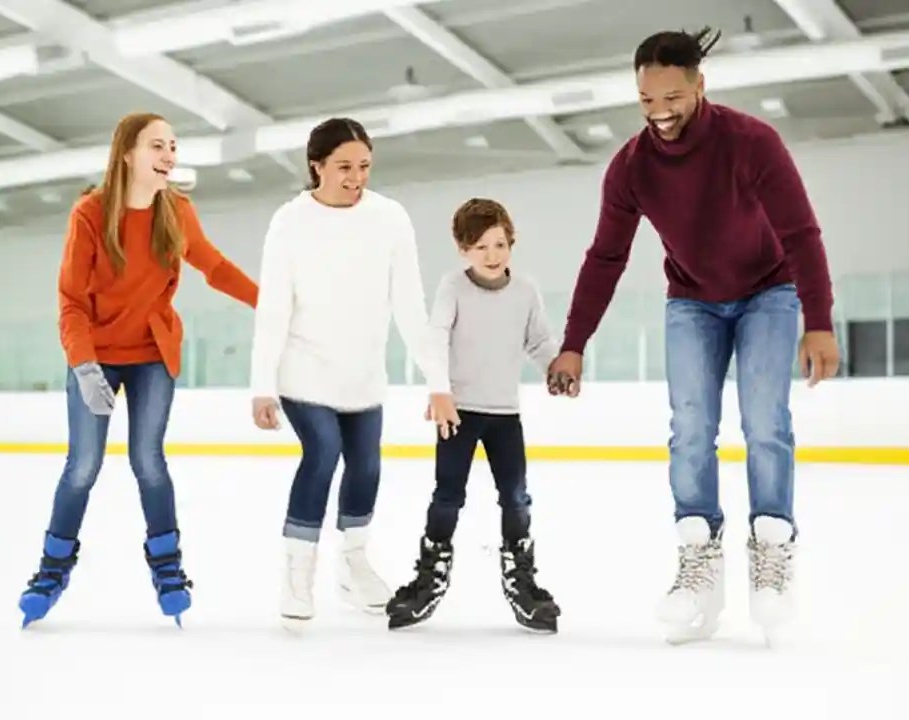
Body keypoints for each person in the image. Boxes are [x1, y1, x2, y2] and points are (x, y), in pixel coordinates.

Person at [545, 28, 841, 645]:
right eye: (646, 99)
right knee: (689, 428)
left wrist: (818, 320)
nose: (659, 112)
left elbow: (801, 234)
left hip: (770, 290)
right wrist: (575, 341)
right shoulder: (631, 166)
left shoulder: (752, 142)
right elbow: (606, 257)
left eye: (673, 97)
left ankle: (771, 554)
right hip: (692, 301)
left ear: (700, 86)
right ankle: (699, 560)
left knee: (765, 421)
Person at [18, 112, 259, 628]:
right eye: (158, 145)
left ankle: (168, 569)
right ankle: (51, 570)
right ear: (127, 152)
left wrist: (270, 303)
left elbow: (214, 268)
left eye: (173, 146)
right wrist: (84, 366)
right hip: (96, 355)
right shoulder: (90, 214)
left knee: (148, 461)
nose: (169, 155)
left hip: (152, 354)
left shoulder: (176, 212)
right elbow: (70, 302)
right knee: (83, 466)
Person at [248, 117, 459, 626]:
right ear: (315, 166)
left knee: (366, 467)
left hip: (362, 374)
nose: (356, 176)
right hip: (304, 370)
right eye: (343, 167)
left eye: (364, 166)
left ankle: (353, 564)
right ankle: (298, 571)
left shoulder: (390, 218)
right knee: (323, 452)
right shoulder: (290, 221)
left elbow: (410, 304)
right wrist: (262, 386)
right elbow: (273, 307)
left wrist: (439, 383)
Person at [385, 198, 562, 633]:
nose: (492, 255)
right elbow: (437, 336)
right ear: (463, 249)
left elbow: (538, 341)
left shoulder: (525, 291)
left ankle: (520, 573)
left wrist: (557, 369)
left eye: (499, 244)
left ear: (511, 243)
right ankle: (431, 571)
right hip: (458, 412)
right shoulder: (453, 287)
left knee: (516, 496)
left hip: (504, 414)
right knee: (447, 496)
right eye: (480, 246)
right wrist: (439, 391)